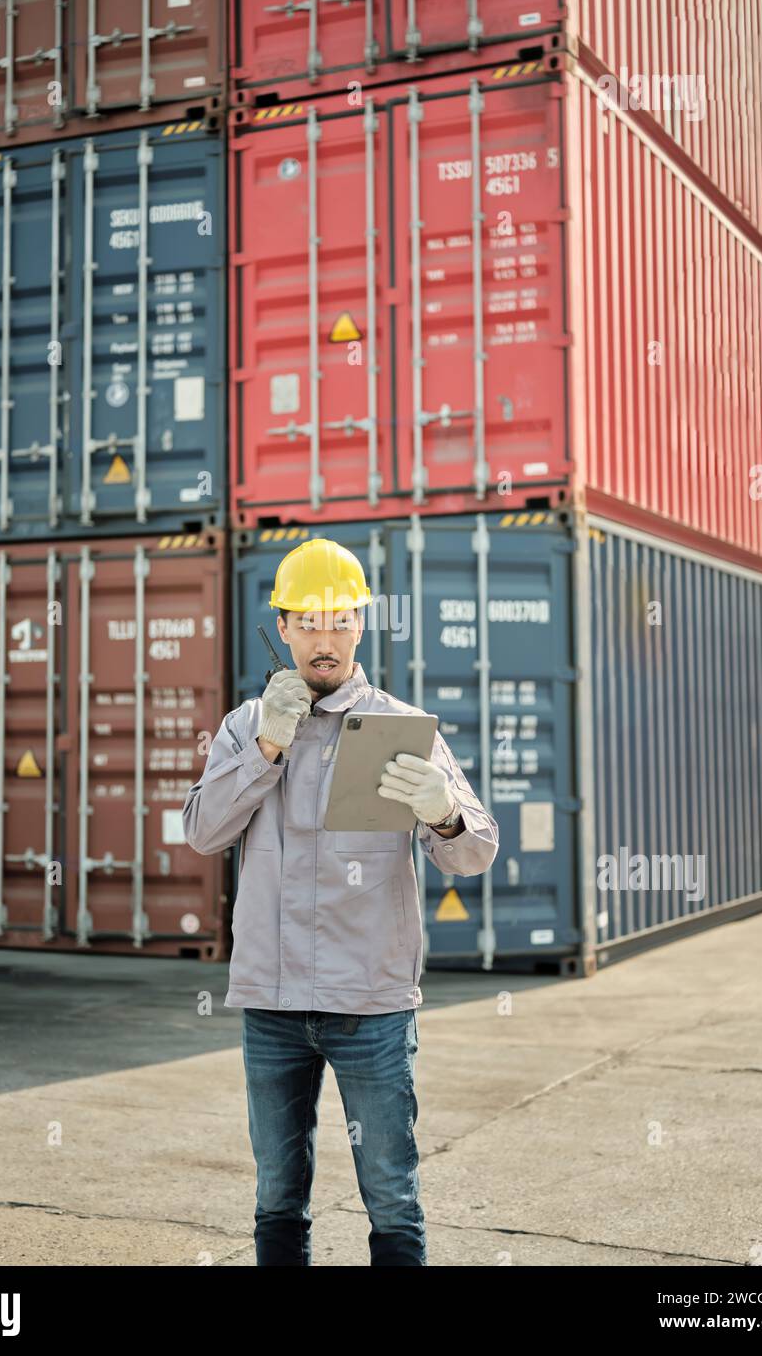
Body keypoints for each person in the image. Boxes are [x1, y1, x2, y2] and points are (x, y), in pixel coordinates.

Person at [183, 537, 499, 1266]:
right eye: (307, 622)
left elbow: (473, 852)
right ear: (282, 627)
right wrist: (266, 748)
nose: (324, 638)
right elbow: (202, 833)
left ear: (360, 623)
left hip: (372, 1007)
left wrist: (442, 810)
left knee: (391, 1193)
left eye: (338, 620)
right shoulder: (244, 726)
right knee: (276, 1194)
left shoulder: (401, 729)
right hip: (271, 1005)